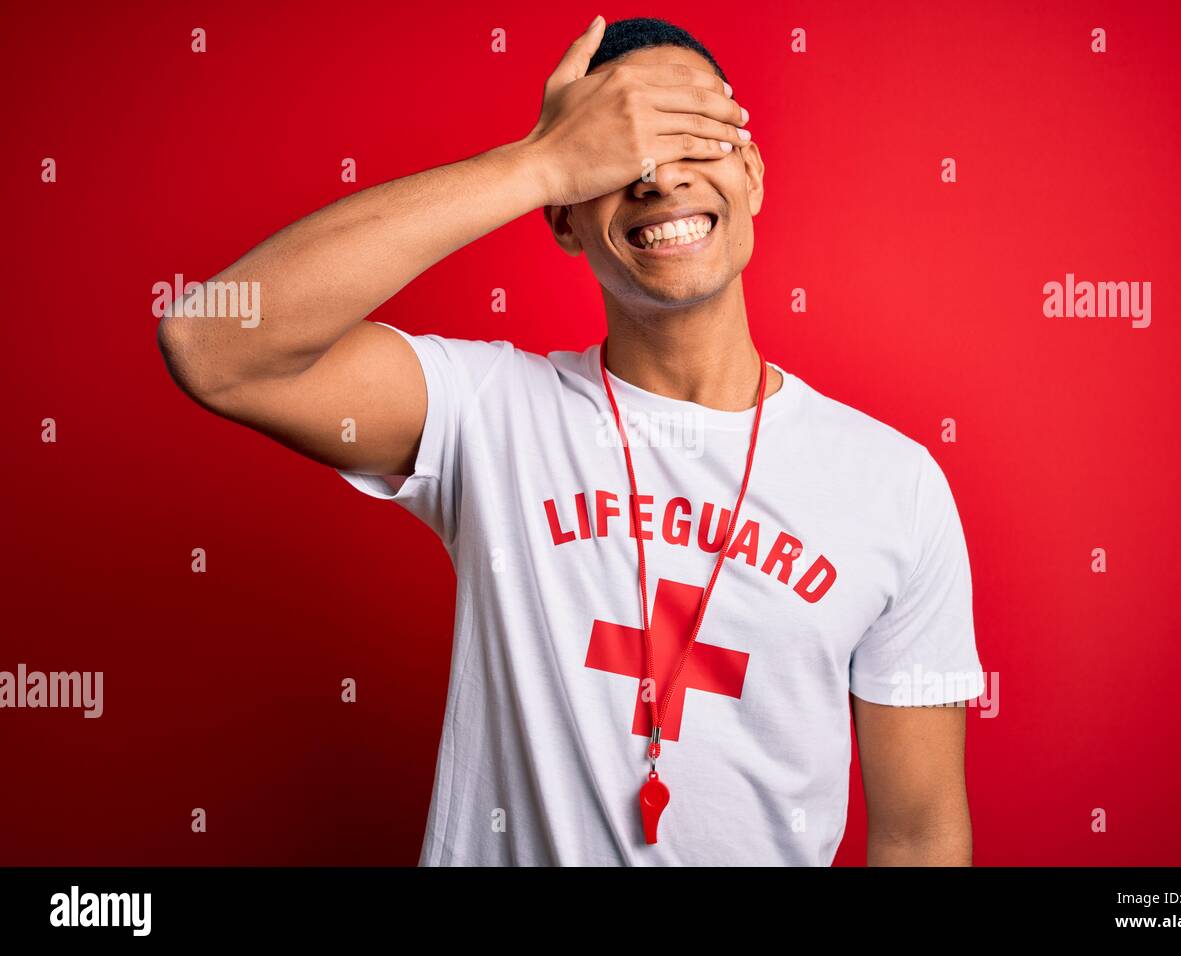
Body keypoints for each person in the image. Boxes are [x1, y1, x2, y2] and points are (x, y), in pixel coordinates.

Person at [157, 15, 986, 866]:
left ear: (753, 173)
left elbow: (919, 835)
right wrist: (538, 160)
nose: (660, 181)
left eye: (695, 134)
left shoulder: (893, 485)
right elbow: (214, 348)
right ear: (561, 220)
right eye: (617, 155)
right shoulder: (487, 412)